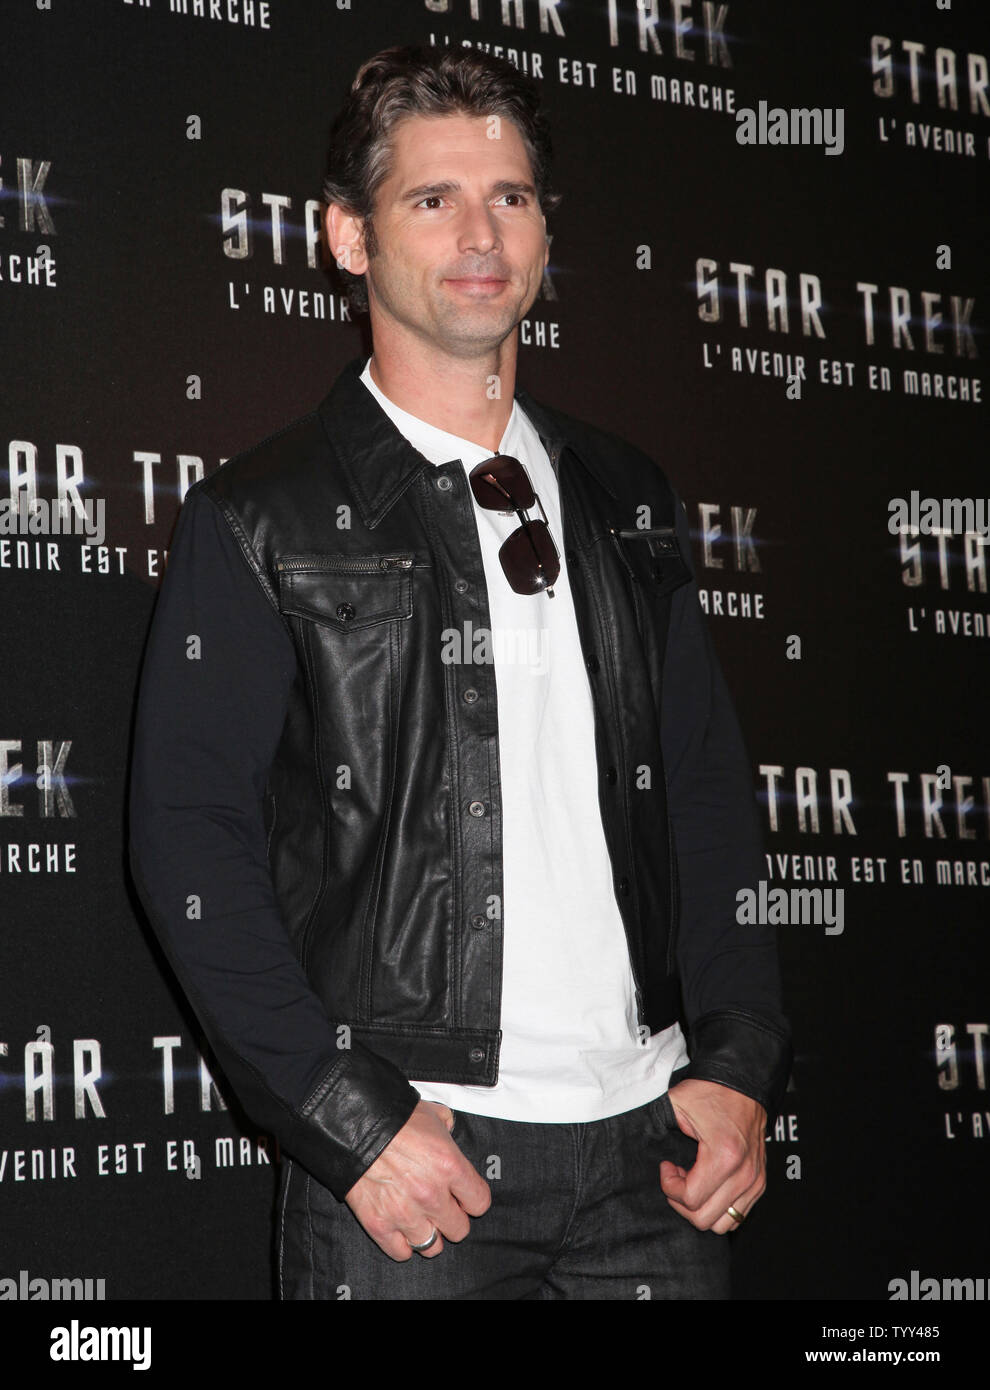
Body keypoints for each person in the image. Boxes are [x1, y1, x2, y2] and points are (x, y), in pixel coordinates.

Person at [128, 44, 791, 1301]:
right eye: (433, 198)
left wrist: (742, 1059)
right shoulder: (261, 519)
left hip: (653, 1161)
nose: (482, 231)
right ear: (347, 237)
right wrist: (355, 1121)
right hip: (418, 1175)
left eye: (513, 196)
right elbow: (187, 841)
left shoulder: (627, 497)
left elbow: (707, 797)